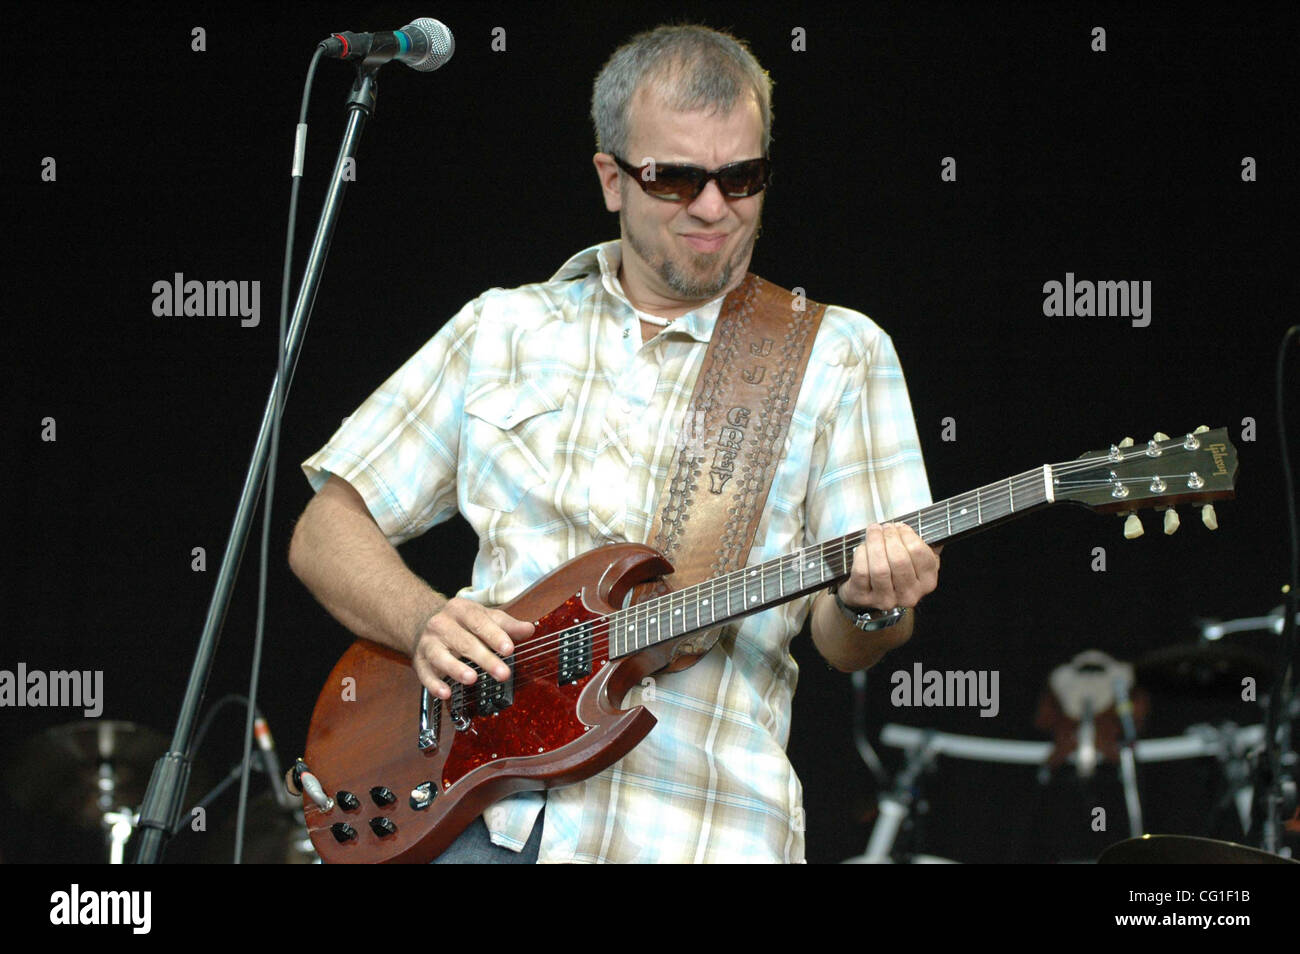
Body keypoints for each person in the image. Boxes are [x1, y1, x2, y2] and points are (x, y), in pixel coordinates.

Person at [288, 24, 940, 863]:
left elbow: (848, 643)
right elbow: (324, 530)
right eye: (675, 178)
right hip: (481, 819)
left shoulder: (838, 353)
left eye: (741, 178)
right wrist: (423, 620)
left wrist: (872, 602)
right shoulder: (504, 327)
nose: (713, 208)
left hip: (706, 831)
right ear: (612, 178)